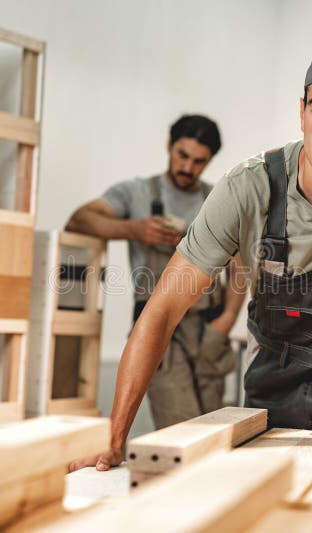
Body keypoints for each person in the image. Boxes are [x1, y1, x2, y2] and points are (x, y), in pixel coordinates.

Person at [70, 43, 312, 530]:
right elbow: (160, 311)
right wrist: (116, 439)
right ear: (302, 113)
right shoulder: (249, 188)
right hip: (271, 390)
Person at [65, 114, 246, 429]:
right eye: (182, 155)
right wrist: (134, 229)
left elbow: (240, 265)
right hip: (160, 329)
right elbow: (79, 220)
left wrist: (227, 320)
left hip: (208, 330)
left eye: (199, 161)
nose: (188, 168)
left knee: (218, 431)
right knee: (184, 430)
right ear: (169, 146)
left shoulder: (217, 198)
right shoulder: (135, 192)